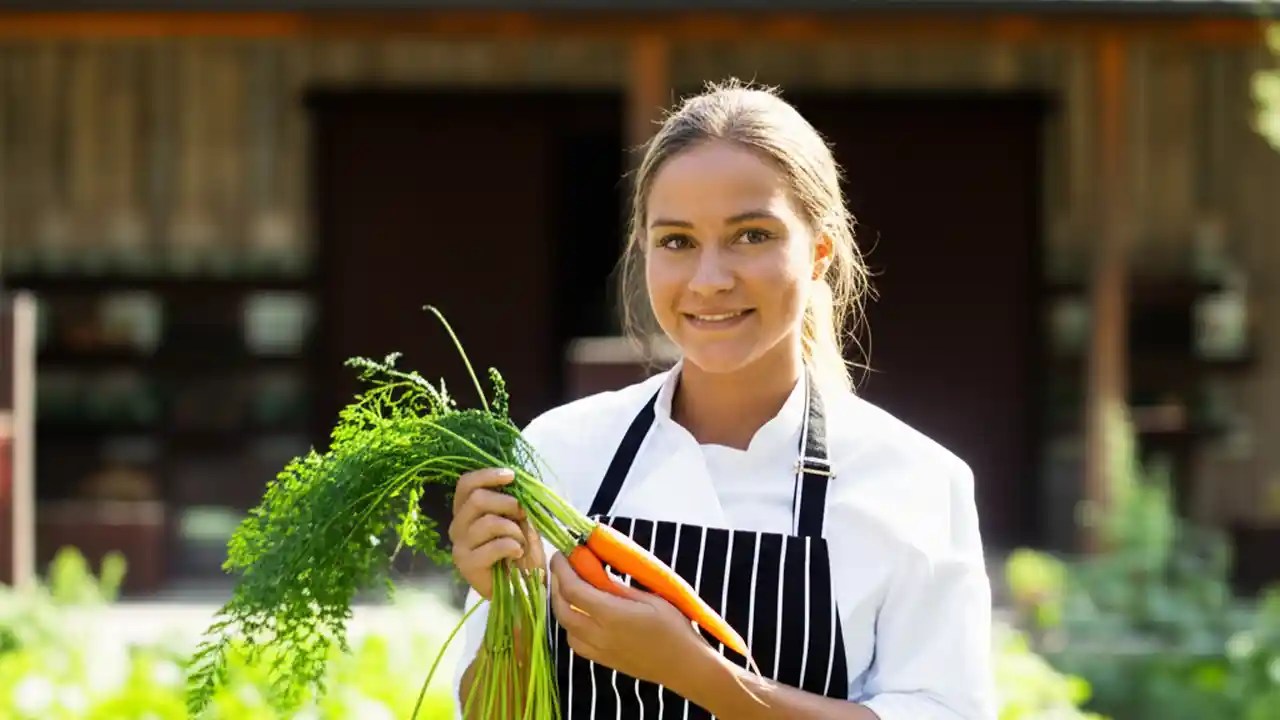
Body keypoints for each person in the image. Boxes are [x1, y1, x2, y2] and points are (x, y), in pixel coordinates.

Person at [449, 79, 996, 720]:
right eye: (677, 241)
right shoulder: (559, 453)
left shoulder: (915, 482)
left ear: (819, 252)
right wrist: (507, 605)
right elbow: (495, 713)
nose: (710, 280)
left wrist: (696, 673)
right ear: (643, 251)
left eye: (751, 236)